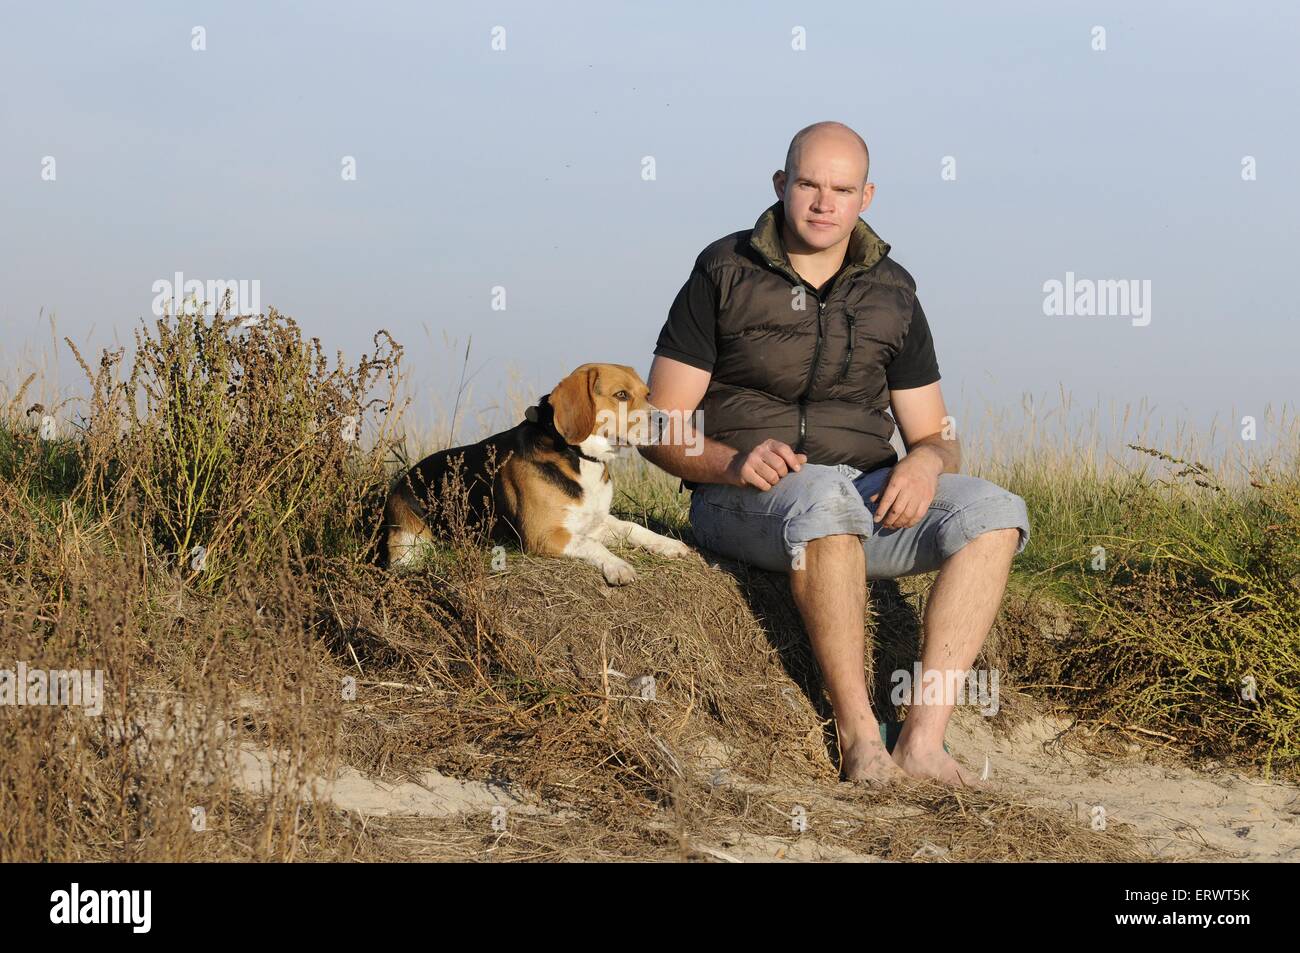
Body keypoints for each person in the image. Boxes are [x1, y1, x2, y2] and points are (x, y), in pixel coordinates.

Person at [639, 121, 1030, 787]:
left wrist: (926, 461)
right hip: (744, 498)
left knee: (997, 511)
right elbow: (656, 424)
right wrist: (730, 464)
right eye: (810, 184)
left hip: (863, 494)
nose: (824, 202)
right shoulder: (722, 270)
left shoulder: (894, 290)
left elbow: (936, 431)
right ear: (780, 185)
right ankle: (859, 739)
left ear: (866, 195)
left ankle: (922, 744)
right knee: (822, 495)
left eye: (842, 188)